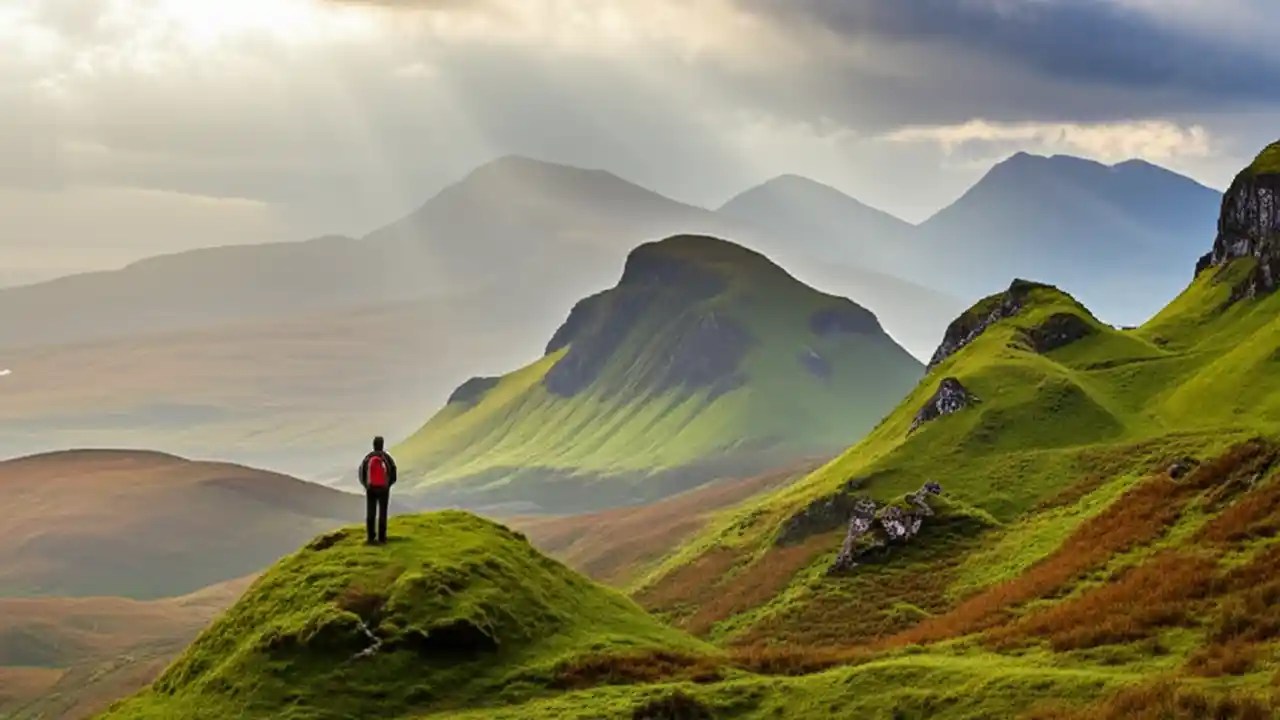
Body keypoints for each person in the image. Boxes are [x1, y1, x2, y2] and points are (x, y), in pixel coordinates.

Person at [358, 436, 398, 545]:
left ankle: (370, 537)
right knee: (382, 513)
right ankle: (382, 538)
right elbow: (393, 472)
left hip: (371, 488)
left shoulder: (368, 457)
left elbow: (361, 472)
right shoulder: (386, 457)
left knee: (371, 512)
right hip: (383, 489)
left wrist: (366, 485)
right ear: (382, 444)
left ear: (373, 445)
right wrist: (387, 485)